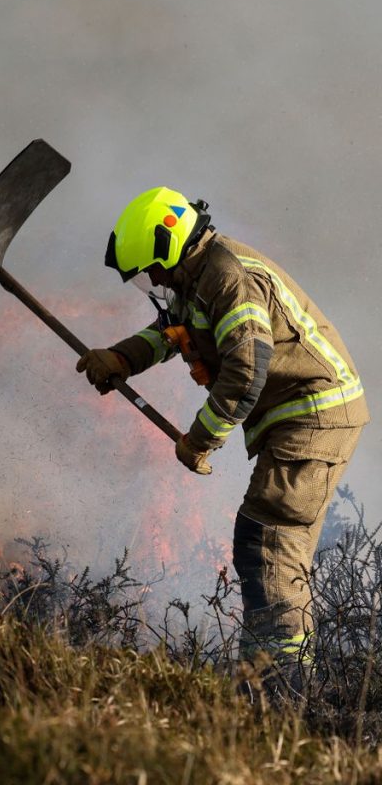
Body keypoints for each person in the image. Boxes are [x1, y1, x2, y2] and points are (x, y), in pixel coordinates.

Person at [77, 187, 368, 678]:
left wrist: (201, 439)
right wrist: (122, 357)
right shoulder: (199, 277)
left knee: (269, 540)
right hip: (303, 418)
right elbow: (174, 332)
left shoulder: (228, 278)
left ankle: (282, 685)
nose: (150, 279)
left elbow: (245, 369)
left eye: (151, 268)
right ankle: (268, 672)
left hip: (316, 418)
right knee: (264, 540)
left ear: (169, 247)